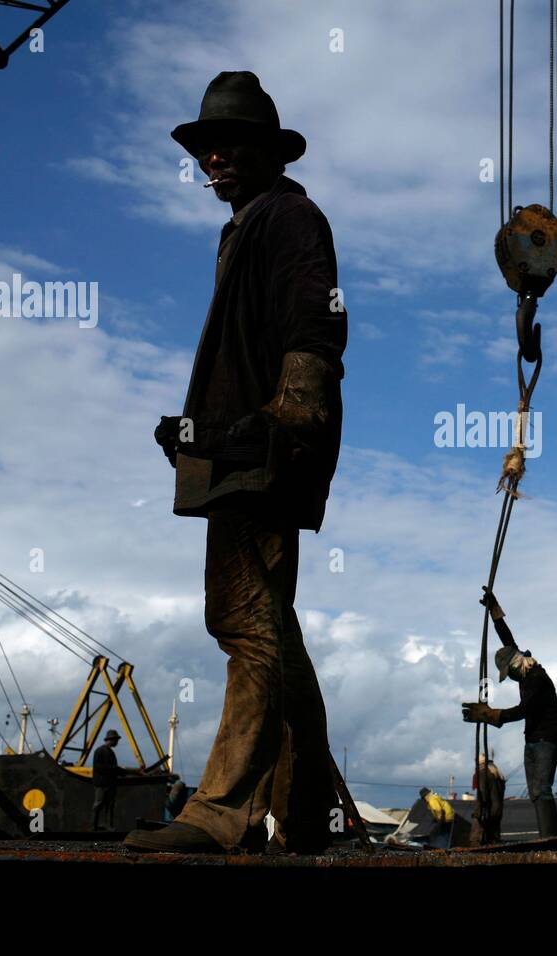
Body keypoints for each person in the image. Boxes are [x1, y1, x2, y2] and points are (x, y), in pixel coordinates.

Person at [127, 71, 347, 855]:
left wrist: (290, 417)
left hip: (265, 452)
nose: (211, 157)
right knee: (266, 626)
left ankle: (221, 812)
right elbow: (242, 356)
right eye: (202, 147)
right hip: (236, 449)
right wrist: (198, 429)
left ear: (265, 151)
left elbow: (315, 326)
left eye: (227, 144)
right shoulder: (248, 224)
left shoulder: (291, 217)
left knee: (246, 622)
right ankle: (311, 810)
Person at [462, 588, 557, 839]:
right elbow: (507, 639)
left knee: (542, 790)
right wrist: (495, 611)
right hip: (532, 741)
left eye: (511, 673)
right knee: (537, 793)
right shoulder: (523, 668)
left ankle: (551, 839)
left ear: (516, 666)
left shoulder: (537, 678)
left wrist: (490, 715)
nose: (512, 679)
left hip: (545, 742)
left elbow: (524, 710)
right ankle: (549, 837)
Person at [470, 753, 506, 845]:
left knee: (476, 835)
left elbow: (483, 792)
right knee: (494, 839)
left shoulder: (483, 772)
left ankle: (475, 846)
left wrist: (480, 810)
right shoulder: (496, 771)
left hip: (487, 808)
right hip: (497, 808)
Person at [92, 729, 121, 830]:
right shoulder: (101, 751)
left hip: (108, 783)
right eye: (116, 740)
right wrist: (114, 769)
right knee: (99, 804)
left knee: (108, 805)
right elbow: (98, 767)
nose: (117, 742)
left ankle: (106, 825)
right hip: (102, 784)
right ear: (111, 740)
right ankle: (94, 826)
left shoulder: (109, 752)